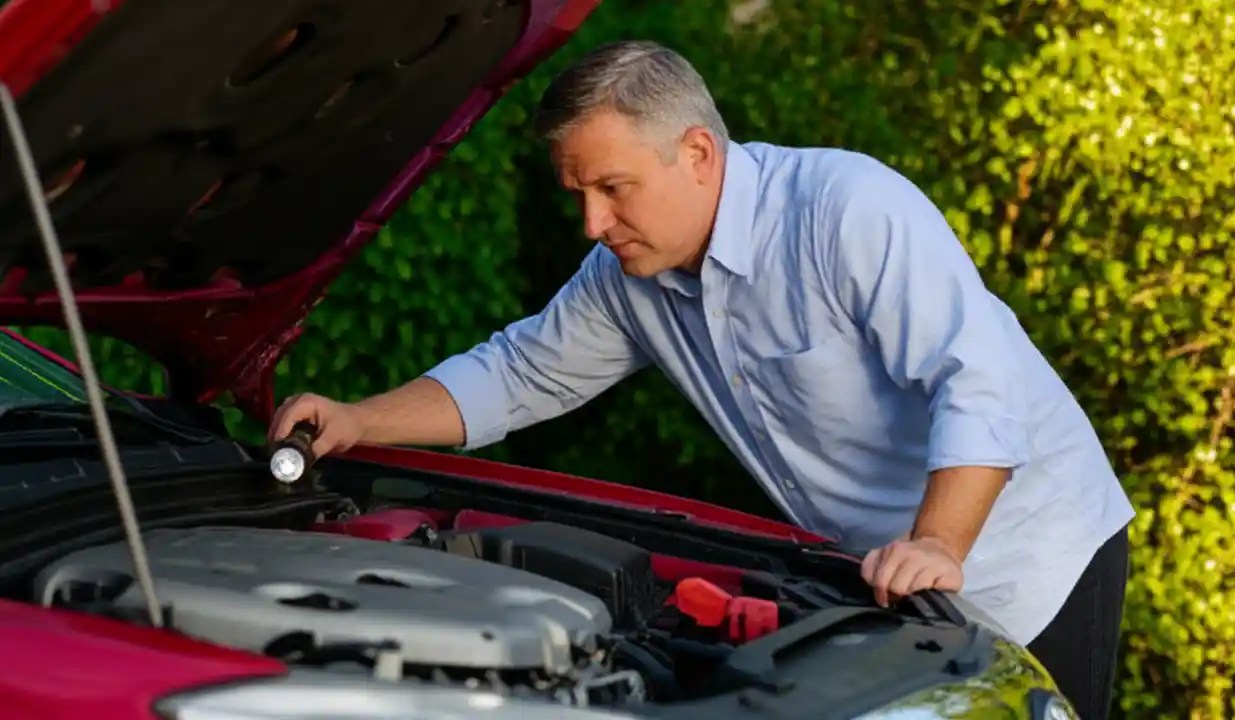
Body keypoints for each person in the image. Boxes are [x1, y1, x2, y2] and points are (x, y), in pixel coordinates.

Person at [270, 40, 1134, 718]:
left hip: (1029, 555)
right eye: (579, 194)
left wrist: (942, 543)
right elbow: (521, 372)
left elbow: (975, 379)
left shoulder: (846, 210)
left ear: (697, 152)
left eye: (612, 189)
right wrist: (360, 420)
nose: (592, 224)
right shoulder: (628, 278)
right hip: (877, 579)